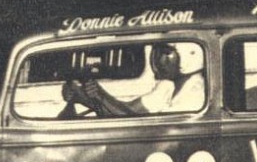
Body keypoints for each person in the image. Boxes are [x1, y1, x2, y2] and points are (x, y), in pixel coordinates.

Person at [62, 41, 206, 117]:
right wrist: (82, 96)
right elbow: (131, 110)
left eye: (166, 53)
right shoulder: (167, 86)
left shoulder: (195, 94)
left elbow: (126, 116)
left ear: (188, 56)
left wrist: (99, 94)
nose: (157, 59)